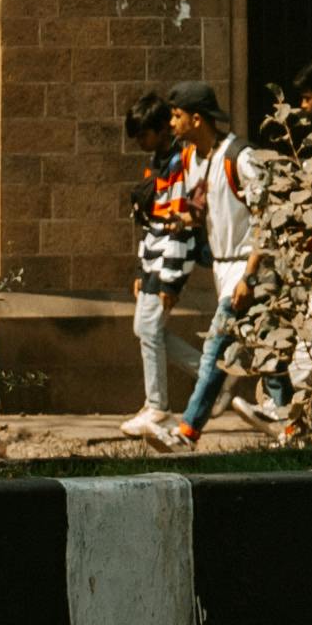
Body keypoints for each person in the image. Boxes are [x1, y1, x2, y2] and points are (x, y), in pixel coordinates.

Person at [129, 85, 265, 447]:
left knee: (214, 350)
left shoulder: (240, 156)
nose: (171, 122)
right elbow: (199, 207)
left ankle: (187, 431)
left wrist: (250, 275)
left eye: (176, 115)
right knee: (265, 350)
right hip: (223, 268)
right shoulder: (192, 159)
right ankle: (287, 420)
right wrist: (179, 217)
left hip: (246, 267)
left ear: (196, 119)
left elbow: (267, 218)